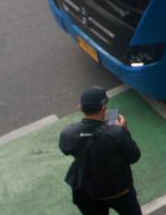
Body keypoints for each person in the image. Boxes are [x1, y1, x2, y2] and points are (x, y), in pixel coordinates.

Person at [59, 86, 142, 215]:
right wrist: (124, 131)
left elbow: (65, 150)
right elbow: (134, 156)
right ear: (104, 108)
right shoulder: (117, 132)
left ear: (80, 108)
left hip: (87, 194)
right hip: (120, 193)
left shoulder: (68, 133)